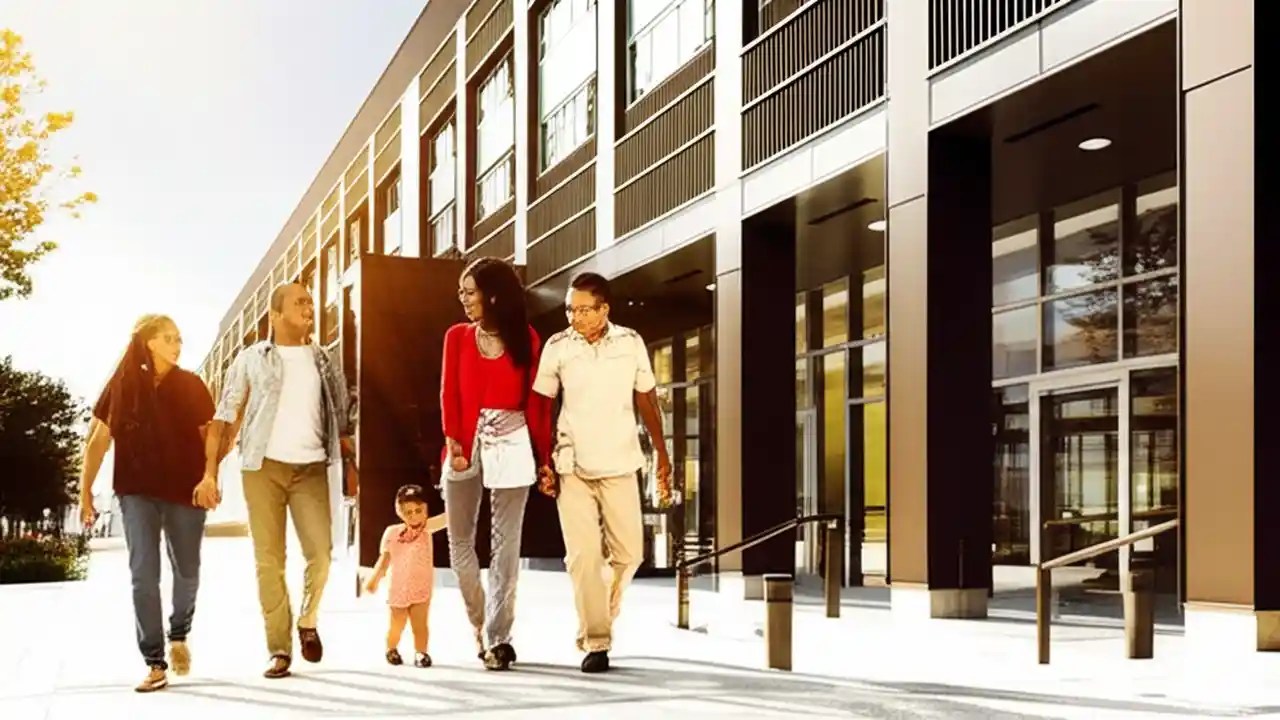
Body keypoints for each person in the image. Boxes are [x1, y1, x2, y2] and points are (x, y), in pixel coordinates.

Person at [199, 283, 356, 680]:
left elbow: (342, 419)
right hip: (262, 467)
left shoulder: (324, 360)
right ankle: (279, 649)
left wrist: (353, 467)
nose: (309, 306)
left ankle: (308, 619)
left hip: (311, 468)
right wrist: (210, 471)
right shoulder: (251, 358)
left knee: (320, 555)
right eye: (299, 301)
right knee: (269, 560)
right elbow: (226, 415)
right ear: (275, 314)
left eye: (310, 301)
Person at [531, 272, 672, 674]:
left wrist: (662, 452)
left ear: (604, 309)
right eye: (570, 309)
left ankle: (600, 616)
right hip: (571, 463)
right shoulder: (558, 347)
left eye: (583, 309)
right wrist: (544, 459)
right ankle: (596, 640)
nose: (575, 316)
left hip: (621, 461)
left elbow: (646, 397)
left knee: (630, 554)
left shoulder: (630, 343)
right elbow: (542, 404)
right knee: (583, 557)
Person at [78, 314, 218, 693]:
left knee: (187, 571)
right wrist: (85, 490)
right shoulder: (122, 386)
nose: (177, 345)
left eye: (179, 339)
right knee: (143, 573)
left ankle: (179, 633)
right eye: (169, 338)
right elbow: (99, 440)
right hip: (136, 490)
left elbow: (210, 435)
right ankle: (154, 661)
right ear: (150, 342)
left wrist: (210, 476)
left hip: (184, 489)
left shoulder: (191, 384)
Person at [440, 257, 551, 671]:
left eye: (469, 292)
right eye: (461, 292)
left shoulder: (528, 339)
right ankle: (480, 622)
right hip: (464, 445)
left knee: (507, 545)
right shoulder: (457, 337)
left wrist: (544, 456)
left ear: (493, 294)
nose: (463, 299)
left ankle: (500, 638)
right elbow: (448, 393)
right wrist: (454, 440)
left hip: (513, 441)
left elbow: (537, 403)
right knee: (459, 546)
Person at [364, 484, 449, 668]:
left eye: (419, 510)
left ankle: (421, 652)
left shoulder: (427, 528)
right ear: (400, 512)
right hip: (398, 589)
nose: (415, 516)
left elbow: (448, 518)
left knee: (420, 625)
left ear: (426, 509)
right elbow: (384, 559)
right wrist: (375, 578)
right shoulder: (392, 533)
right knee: (397, 625)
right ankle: (391, 648)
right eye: (408, 512)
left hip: (421, 587)